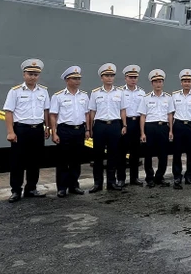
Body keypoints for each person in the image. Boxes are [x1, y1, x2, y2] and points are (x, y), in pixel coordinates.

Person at [3, 58, 50, 202]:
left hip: (37, 130)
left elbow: (46, 111)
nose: (33, 77)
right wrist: (11, 132)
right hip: (21, 129)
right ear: (24, 75)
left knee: (35, 161)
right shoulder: (15, 92)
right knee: (17, 161)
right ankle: (16, 190)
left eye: (35, 74)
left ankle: (31, 188)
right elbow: (8, 112)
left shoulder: (43, 91)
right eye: (30, 74)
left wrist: (47, 127)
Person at [50, 66, 88, 198]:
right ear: (67, 80)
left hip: (79, 130)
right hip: (64, 130)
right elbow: (53, 115)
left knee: (76, 159)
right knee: (62, 160)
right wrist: (54, 133)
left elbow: (87, 114)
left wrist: (87, 129)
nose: (78, 81)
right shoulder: (58, 96)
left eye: (79, 78)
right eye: (75, 78)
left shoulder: (84, 96)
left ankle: (73, 185)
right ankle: (61, 187)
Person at [87, 63, 124, 192]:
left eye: (111, 75)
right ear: (102, 78)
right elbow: (92, 112)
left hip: (114, 125)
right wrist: (90, 128)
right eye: (106, 76)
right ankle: (97, 183)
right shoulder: (95, 93)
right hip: (100, 126)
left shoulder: (120, 92)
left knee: (113, 155)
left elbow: (122, 110)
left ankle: (111, 182)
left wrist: (124, 125)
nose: (109, 78)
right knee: (97, 155)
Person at [139, 69, 174, 188]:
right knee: (148, 154)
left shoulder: (168, 98)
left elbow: (170, 115)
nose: (158, 84)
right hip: (150, 127)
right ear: (152, 84)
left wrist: (170, 130)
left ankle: (160, 177)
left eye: (160, 81)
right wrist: (142, 132)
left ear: (163, 83)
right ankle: (149, 178)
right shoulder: (146, 98)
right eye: (155, 82)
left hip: (163, 127)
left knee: (163, 154)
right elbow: (143, 116)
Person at [170, 69, 191, 189]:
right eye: (184, 81)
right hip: (178, 125)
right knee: (177, 153)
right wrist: (171, 129)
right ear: (181, 83)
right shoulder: (174, 96)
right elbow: (171, 113)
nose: (187, 83)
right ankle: (177, 176)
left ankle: (189, 176)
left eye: (189, 81)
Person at [119, 64, 146, 186]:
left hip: (137, 122)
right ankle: (121, 179)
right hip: (124, 123)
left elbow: (143, 111)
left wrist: (142, 130)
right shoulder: (119, 92)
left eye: (135, 77)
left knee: (135, 152)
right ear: (125, 78)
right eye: (130, 77)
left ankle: (134, 178)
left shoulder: (142, 92)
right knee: (122, 152)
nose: (133, 79)